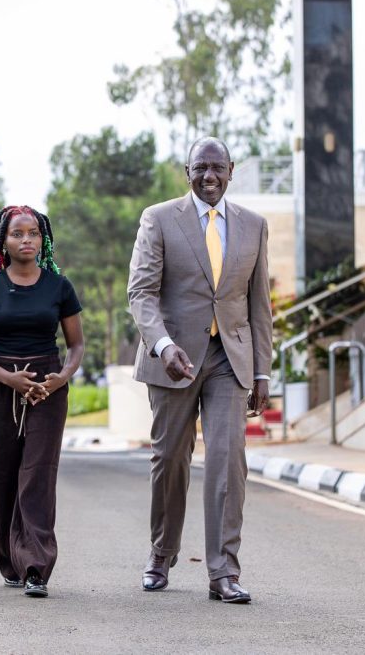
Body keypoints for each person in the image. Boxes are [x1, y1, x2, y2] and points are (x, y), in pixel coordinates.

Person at [127, 137, 272, 603]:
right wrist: (163, 345)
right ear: (185, 171)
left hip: (229, 358)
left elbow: (259, 306)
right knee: (170, 459)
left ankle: (223, 571)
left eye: (217, 168)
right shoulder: (160, 218)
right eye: (200, 168)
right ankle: (161, 553)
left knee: (229, 459)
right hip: (172, 359)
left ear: (232, 169)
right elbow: (142, 293)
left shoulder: (254, 226)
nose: (209, 177)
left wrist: (263, 371)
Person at [0, 205, 84, 598]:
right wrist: (10, 379)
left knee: (37, 475)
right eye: (17, 234)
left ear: (43, 239)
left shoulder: (59, 286)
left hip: (47, 387)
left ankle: (35, 565)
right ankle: (7, 557)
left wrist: (61, 377)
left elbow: (76, 344)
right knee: (4, 476)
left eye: (33, 233)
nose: (26, 239)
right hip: (1, 386)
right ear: (4, 241)